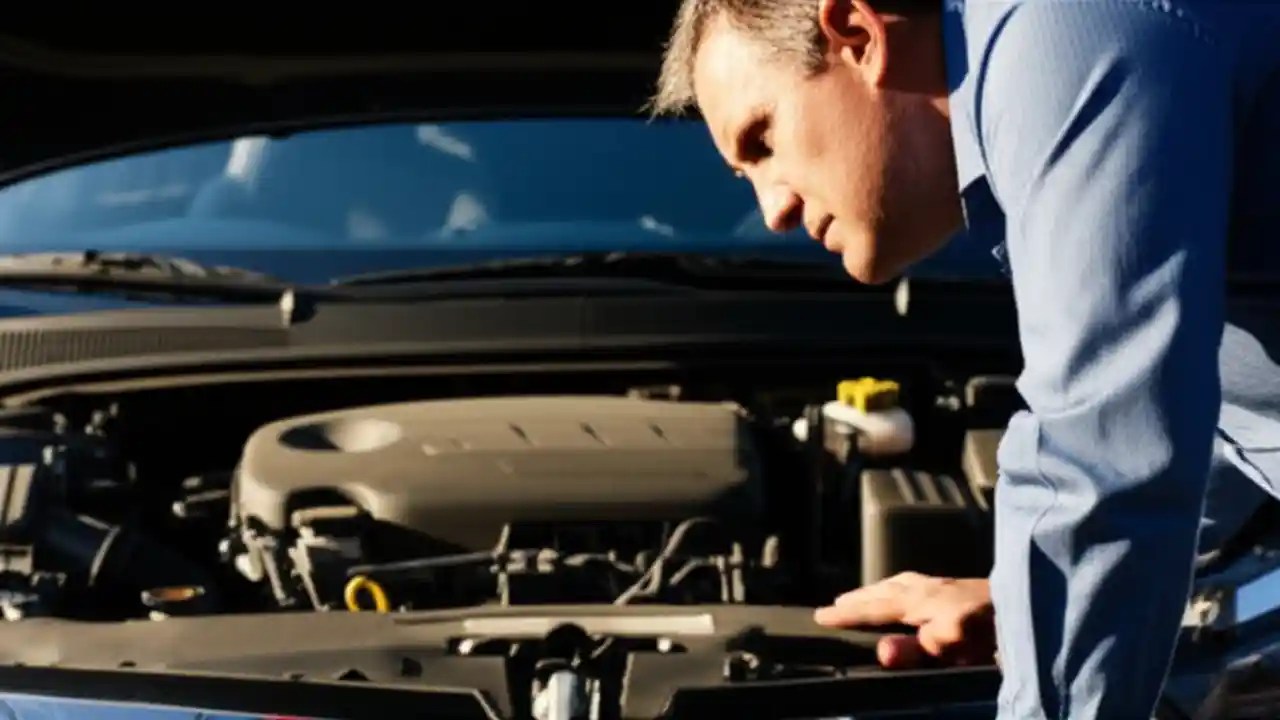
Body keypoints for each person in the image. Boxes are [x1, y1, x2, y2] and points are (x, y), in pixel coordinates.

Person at [647, 0, 1280, 717]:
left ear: (856, 33)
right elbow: (1180, 423)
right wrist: (1027, 599)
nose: (773, 210)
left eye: (762, 141)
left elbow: (1103, 464)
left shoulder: (1059, 37)